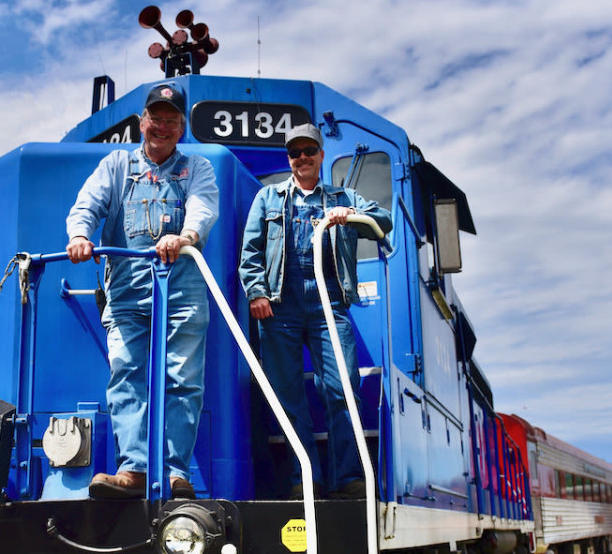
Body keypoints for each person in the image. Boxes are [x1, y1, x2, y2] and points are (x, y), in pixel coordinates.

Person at [66, 84, 219, 499]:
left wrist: (186, 235)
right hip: (127, 296)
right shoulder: (115, 165)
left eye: (172, 120)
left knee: (183, 379)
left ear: (181, 126)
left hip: (182, 295)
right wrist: (80, 234)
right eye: (156, 118)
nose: (163, 127)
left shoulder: (197, 169)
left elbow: (203, 206)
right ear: (142, 122)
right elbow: (88, 205)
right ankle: (133, 469)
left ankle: (174, 471)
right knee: (127, 374)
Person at [238, 123, 392, 500]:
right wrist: (256, 292)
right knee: (288, 398)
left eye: (309, 150)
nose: (302, 158)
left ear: (321, 155)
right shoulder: (268, 199)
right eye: (295, 153)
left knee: (343, 391)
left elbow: (384, 221)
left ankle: (348, 477)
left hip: (329, 306)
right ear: (289, 159)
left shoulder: (343, 195)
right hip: (278, 307)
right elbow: (251, 252)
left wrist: (351, 214)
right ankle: (303, 478)